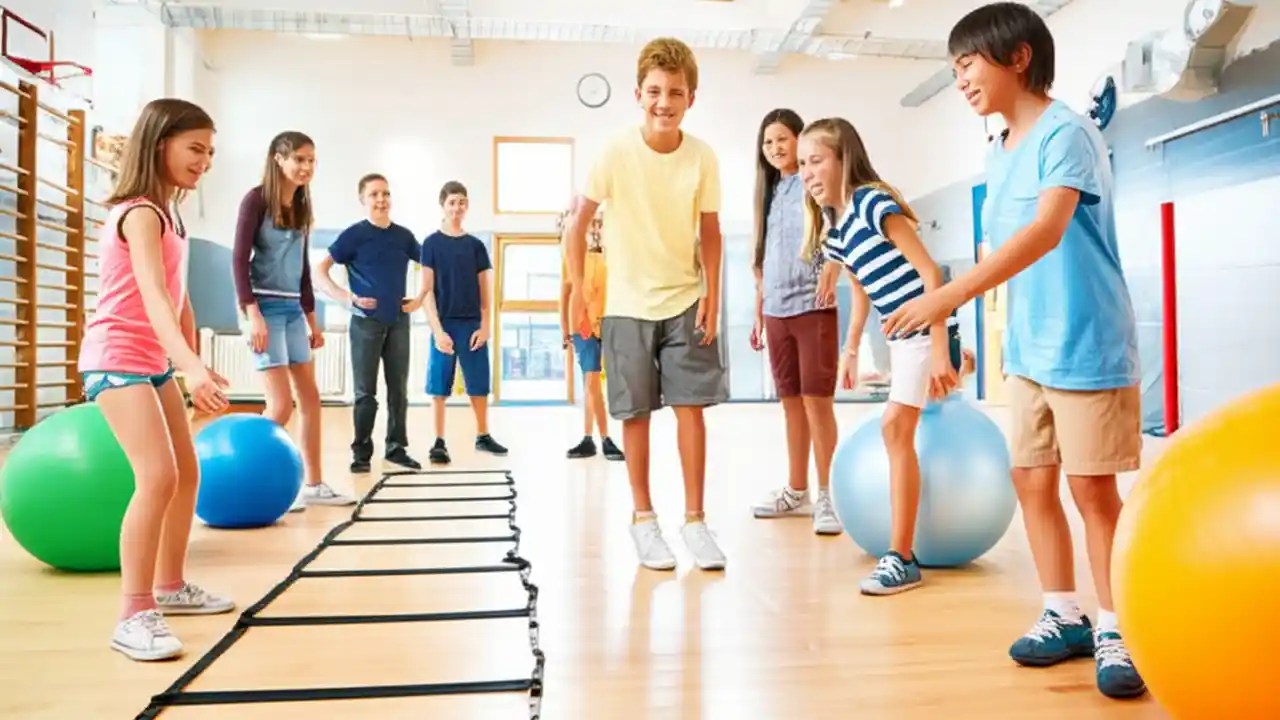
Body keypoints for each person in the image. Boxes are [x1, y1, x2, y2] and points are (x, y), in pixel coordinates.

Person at [881, 2, 1146, 700]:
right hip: (1028, 346)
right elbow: (995, 251)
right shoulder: (997, 149)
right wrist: (958, 344)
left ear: (1017, 56)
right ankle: (1064, 613)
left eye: (967, 64)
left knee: (1092, 490)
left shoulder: (1069, 133)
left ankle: (1120, 630)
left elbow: (1046, 232)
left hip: (1087, 340)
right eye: (955, 69)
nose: (961, 80)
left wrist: (944, 300)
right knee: (1031, 482)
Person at [78, 98, 235, 661]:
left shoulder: (171, 214)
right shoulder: (139, 211)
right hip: (116, 357)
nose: (205, 161)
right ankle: (133, 612)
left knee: (185, 472)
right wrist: (189, 369)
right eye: (195, 148)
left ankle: (170, 586)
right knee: (157, 476)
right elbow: (151, 296)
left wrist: (193, 360)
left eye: (210, 151)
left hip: (152, 359)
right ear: (158, 143)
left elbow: (180, 298)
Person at [564, 37, 728, 571]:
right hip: (627, 304)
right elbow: (577, 224)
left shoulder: (702, 156)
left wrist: (712, 295)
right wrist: (580, 296)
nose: (664, 101)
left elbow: (710, 232)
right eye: (655, 91)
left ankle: (697, 521)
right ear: (638, 93)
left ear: (691, 98)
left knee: (691, 412)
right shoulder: (614, 152)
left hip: (685, 297)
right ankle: (644, 520)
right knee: (634, 415)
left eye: (675, 92)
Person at [802, 117, 961, 595]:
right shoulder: (835, 231)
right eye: (802, 165)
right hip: (901, 336)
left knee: (895, 428)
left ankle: (902, 558)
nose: (807, 173)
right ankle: (960, 357)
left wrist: (938, 350)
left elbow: (932, 275)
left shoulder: (872, 201)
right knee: (900, 429)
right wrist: (851, 350)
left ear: (842, 159)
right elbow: (861, 288)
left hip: (926, 326)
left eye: (816, 161)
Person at [233, 131, 353, 509]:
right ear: (278, 158)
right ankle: (253, 479)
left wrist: (312, 319)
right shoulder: (256, 200)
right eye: (299, 159)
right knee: (281, 404)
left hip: (292, 310)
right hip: (264, 308)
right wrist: (252, 314)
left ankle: (313, 484)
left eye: (311, 160)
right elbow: (238, 260)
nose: (306, 167)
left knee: (311, 400)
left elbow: (302, 269)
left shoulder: (302, 207)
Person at [746, 108, 841, 535]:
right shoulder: (767, 194)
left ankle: (827, 496)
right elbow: (763, 259)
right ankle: (797, 490)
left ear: (800, 139)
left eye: (782, 139)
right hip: (776, 309)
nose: (775, 148)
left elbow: (840, 222)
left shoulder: (813, 181)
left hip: (813, 306)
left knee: (817, 403)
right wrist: (758, 312)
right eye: (768, 142)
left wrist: (832, 269)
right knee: (790, 406)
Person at [314, 173, 423, 473]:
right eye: (374, 194)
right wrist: (346, 298)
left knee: (399, 389)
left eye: (385, 194)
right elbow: (320, 271)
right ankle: (361, 453)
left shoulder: (404, 236)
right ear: (363, 200)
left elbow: (429, 266)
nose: (381, 200)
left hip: (399, 321)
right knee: (366, 392)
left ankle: (396, 447)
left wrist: (421, 299)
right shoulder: (354, 235)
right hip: (365, 323)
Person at [418, 180, 508, 463]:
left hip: (471, 324)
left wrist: (485, 326)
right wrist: (437, 331)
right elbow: (427, 290)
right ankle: (438, 441)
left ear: (466, 206)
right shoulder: (431, 244)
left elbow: (485, 291)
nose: (457, 207)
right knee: (439, 386)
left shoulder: (476, 246)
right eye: (452, 202)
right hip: (444, 324)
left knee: (479, 383)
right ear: (443, 205)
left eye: (461, 202)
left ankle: (483, 436)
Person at [558, 201, 624, 461]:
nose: (595, 226)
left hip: (609, 321)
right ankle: (602, 438)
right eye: (592, 221)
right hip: (582, 323)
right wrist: (565, 325)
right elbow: (565, 291)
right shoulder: (573, 255)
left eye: (599, 222)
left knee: (596, 384)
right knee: (591, 381)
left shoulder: (610, 254)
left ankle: (592, 439)